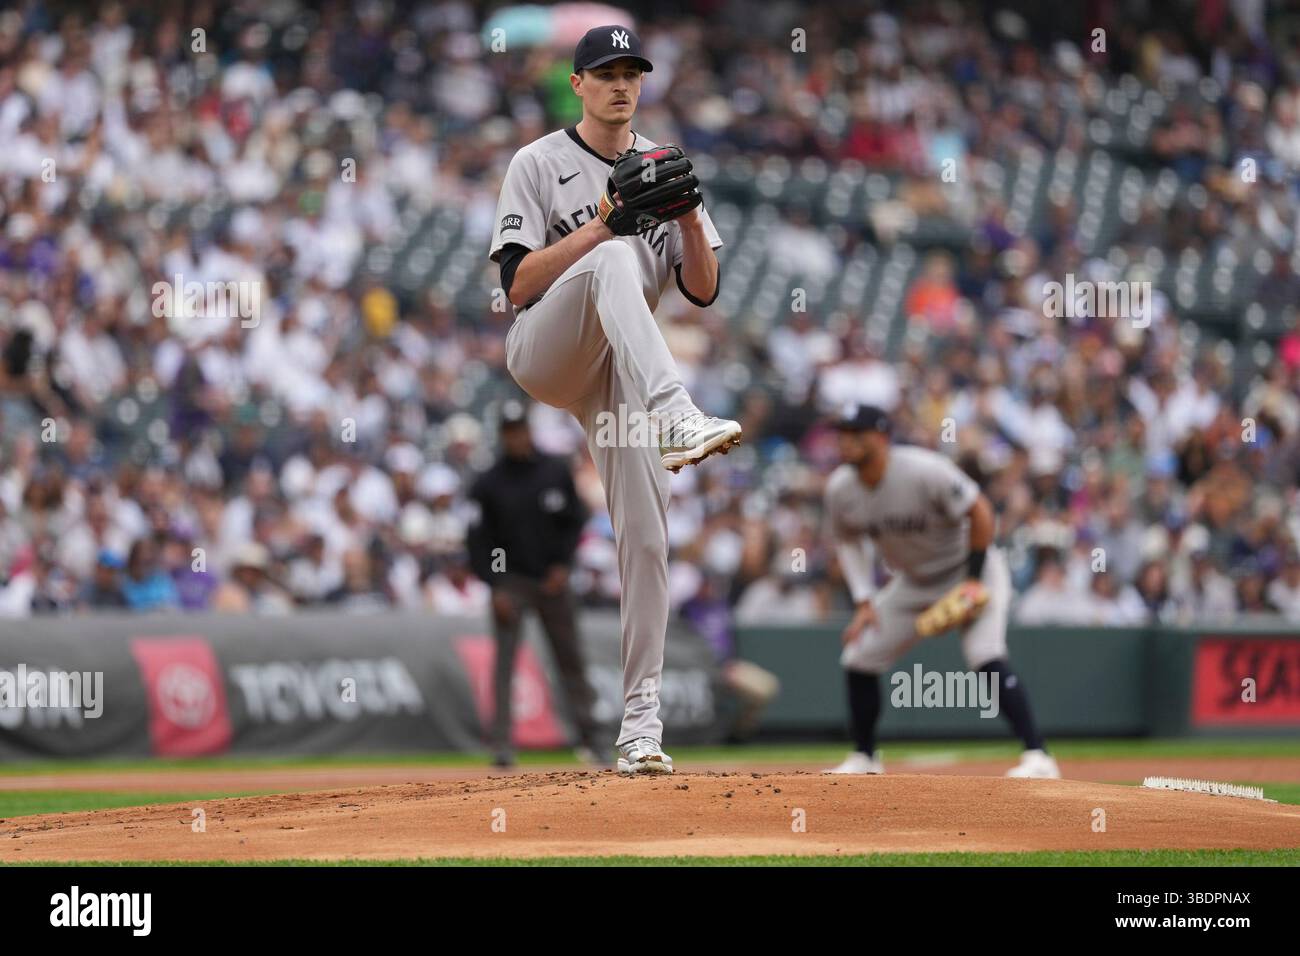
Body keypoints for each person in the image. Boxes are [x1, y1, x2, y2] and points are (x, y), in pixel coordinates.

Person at [488, 25, 741, 774]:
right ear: (578, 84)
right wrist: (602, 223)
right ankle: (678, 413)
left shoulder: (660, 163)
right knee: (608, 253)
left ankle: (640, 729)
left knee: (646, 537)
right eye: (606, 72)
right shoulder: (538, 162)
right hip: (548, 348)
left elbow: (701, 289)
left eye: (632, 71)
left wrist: (691, 217)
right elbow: (516, 287)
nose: (621, 84)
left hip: (618, 371)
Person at [822, 404, 1060, 778]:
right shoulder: (840, 488)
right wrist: (864, 600)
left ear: (881, 437)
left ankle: (1038, 755)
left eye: (856, 433)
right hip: (915, 580)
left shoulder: (922, 470)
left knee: (984, 654)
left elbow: (980, 511)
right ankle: (865, 758)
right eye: (843, 433)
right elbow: (847, 540)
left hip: (969, 568)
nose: (846, 441)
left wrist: (973, 580)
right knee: (859, 656)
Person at [467, 400, 602, 768]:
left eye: (519, 430)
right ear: (502, 436)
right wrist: (494, 584)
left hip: (552, 580)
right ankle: (501, 745)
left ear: (528, 430)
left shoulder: (554, 471)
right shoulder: (488, 482)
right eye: (509, 432)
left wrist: (563, 565)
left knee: (570, 658)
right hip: (511, 580)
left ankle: (592, 739)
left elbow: (574, 521)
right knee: (505, 662)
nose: (515, 438)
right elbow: (479, 539)